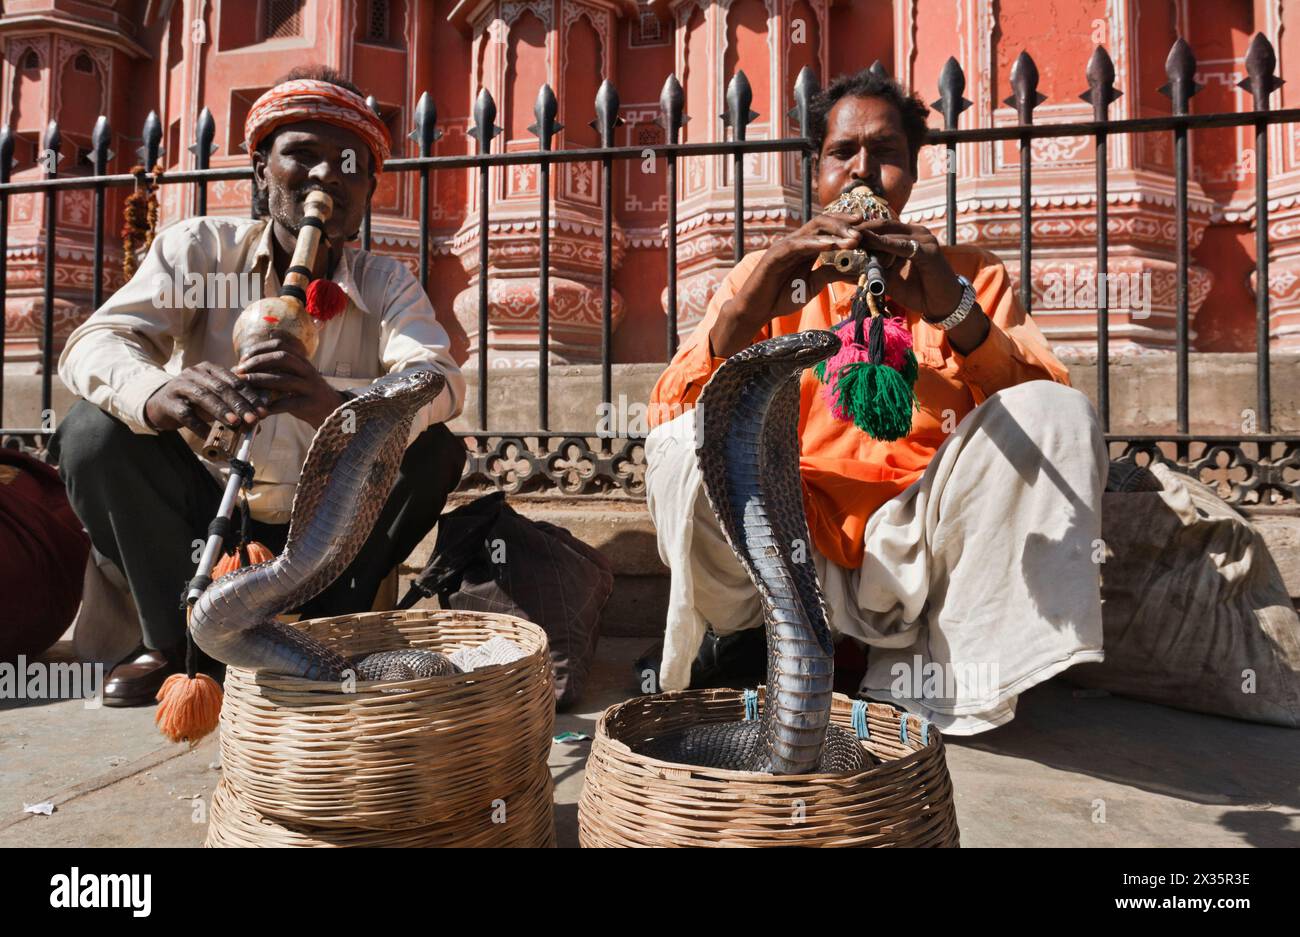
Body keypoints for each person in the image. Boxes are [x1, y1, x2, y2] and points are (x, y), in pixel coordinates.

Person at [642, 67, 1107, 735]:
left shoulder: (968, 275)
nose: (863, 172)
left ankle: (943, 675)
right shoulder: (770, 274)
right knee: (681, 441)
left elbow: (1046, 420)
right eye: (844, 154)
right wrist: (752, 301)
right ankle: (749, 638)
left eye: (886, 154)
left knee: (1063, 413)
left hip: (923, 548)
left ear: (913, 171)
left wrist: (954, 311)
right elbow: (669, 408)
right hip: (791, 545)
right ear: (819, 172)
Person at [50, 66, 467, 706]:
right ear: (260, 171)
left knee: (434, 447)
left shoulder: (385, 284)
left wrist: (340, 410)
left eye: (348, 165)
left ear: (366, 191)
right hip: (208, 518)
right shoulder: (198, 251)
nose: (326, 176)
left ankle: (329, 633)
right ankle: (179, 646)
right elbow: (95, 343)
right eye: (301, 156)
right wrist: (158, 395)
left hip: (325, 535)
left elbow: (435, 377)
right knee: (93, 432)